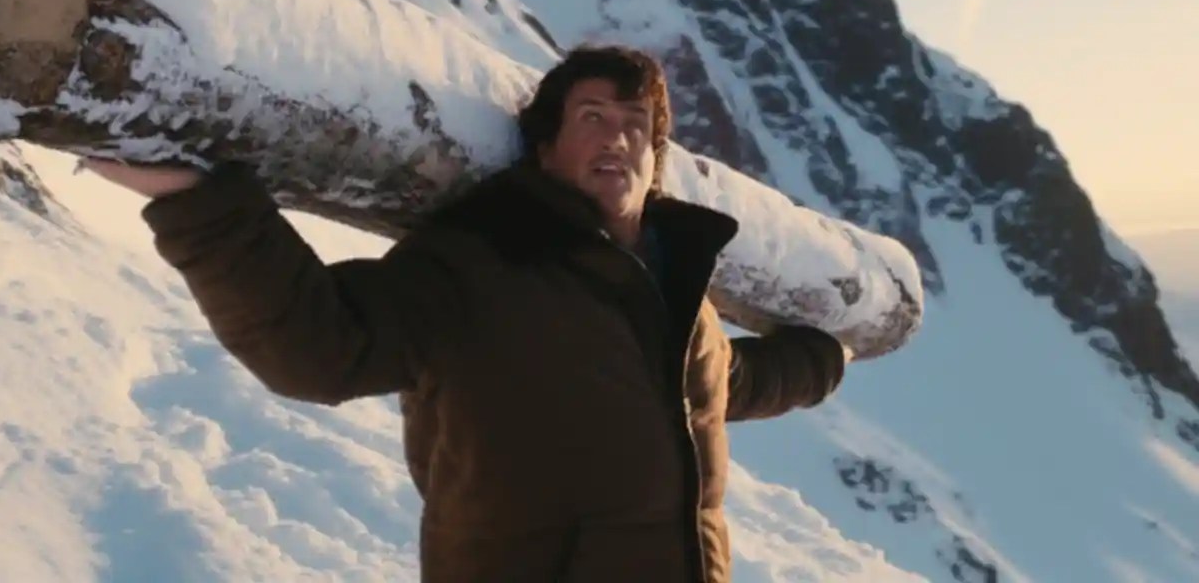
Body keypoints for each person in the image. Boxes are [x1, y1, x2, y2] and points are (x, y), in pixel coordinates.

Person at [84, 44, 847, 583]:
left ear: (657, 159)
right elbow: (324, 347)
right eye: (591, 115)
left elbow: (729, 386)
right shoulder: (481, 261)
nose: (618, 133)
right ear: (544, 149)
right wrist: (197, 205)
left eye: (636, 122)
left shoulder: (682, 291)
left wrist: (827, 359)